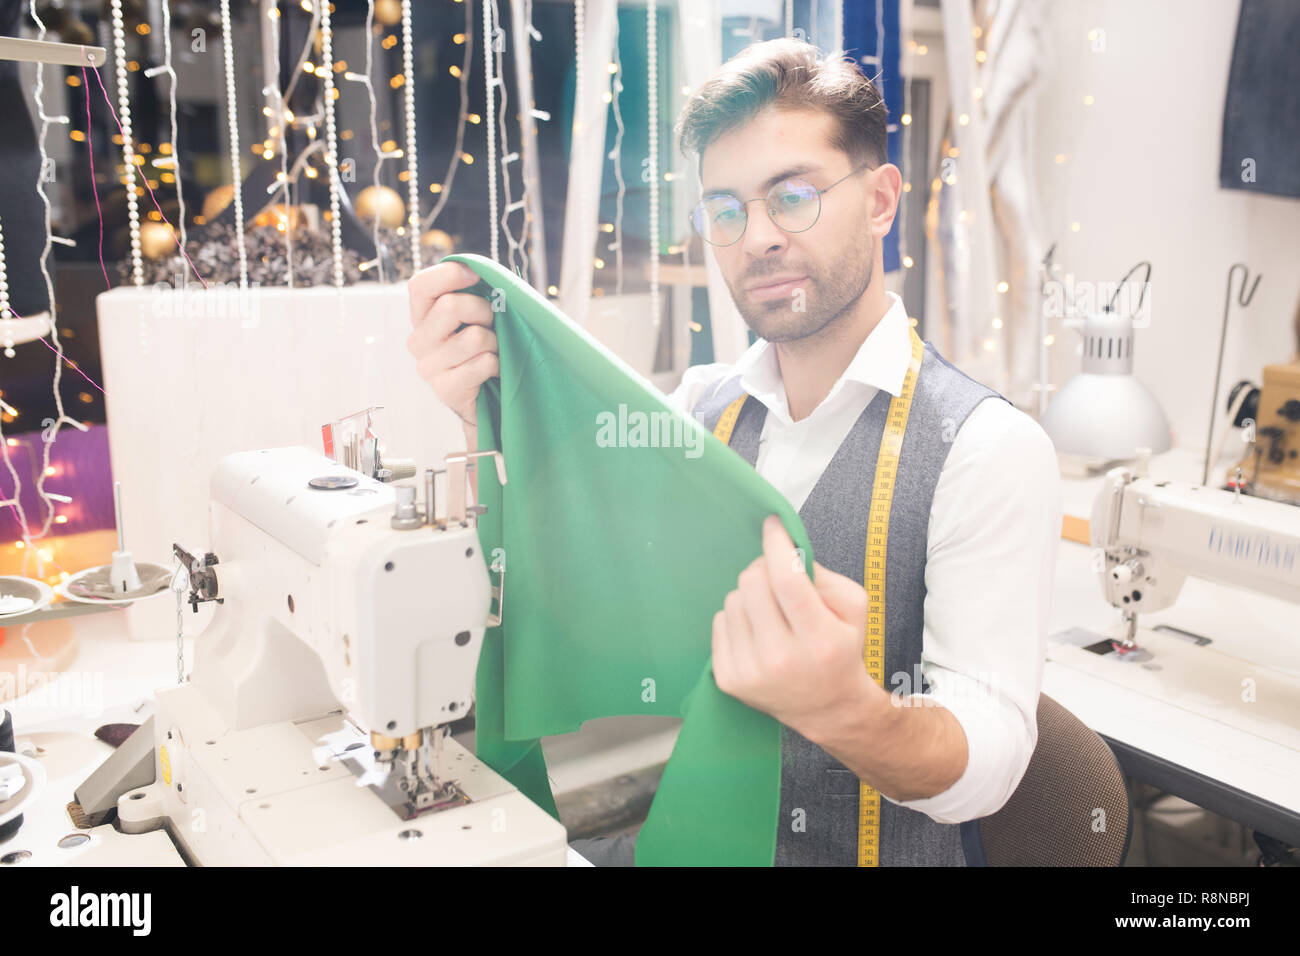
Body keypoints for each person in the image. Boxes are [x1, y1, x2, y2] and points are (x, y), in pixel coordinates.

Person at [406, 37, 1061, 866]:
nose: (756, 239)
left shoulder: (988, 450)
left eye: (793, 196)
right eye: (726, 209)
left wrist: (845, 710)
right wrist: (485, 418)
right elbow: (571, 581)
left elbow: (993, 757)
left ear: (882, 199)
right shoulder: (695, 412)